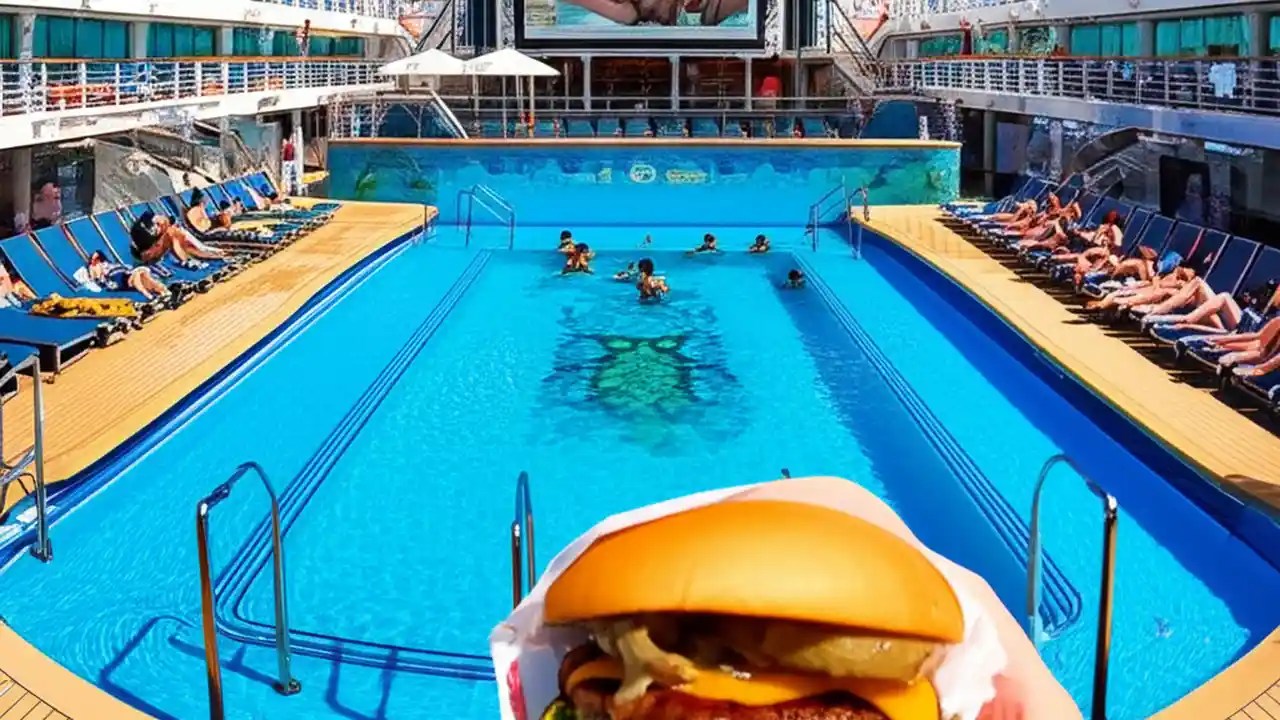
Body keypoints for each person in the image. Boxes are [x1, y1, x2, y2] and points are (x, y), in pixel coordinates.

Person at [85, 251, 170, 301]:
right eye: (94, 261)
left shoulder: (110, 265)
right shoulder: (95, 271)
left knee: (141, 275)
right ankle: (155, 294)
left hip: (128, 275)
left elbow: (126, 269)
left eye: (98, 259)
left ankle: (160, 292)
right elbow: (97, 280)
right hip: (123, 280)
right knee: (138, 275)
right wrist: (97, 274)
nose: (96, 262)